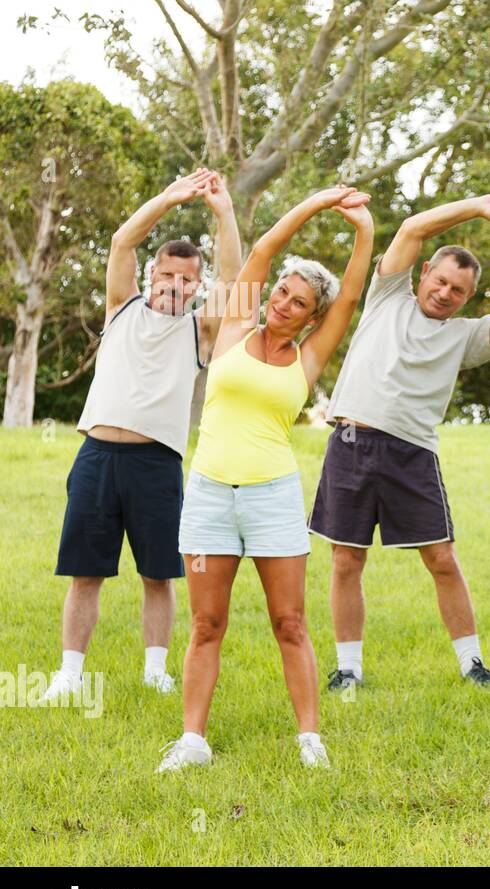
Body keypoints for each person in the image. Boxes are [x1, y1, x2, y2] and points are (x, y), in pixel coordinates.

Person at [156, 185, 374, 771]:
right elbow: (265, 249)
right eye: (282, 290)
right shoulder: (233, 326)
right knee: (206, 623)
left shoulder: (309, 356)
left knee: (290, 621)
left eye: (299, 301)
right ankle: (193, 740)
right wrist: (316, 203)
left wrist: (363, 230)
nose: (283, 302)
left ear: (311, 316)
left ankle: (309, 739)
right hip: (207, 496)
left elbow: (351, 294)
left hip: (273, 497)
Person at [308, 193, 490, 691]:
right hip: (350, 442)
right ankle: (348, 668)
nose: (445, 293)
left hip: (411, 453)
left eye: (458, 290)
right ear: (424, 274)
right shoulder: (387, 296)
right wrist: (482, 206)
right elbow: (413, 228)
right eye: (440, 280)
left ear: (467, 298)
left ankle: (472, 664)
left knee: (441, 558)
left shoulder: (466, 336)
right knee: (347, 559)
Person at [43, 169, 240, 703]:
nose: (176, 287)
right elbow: (121, 240)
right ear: (154, 275)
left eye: (187, 280)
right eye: (168, 276)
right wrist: (170, 196)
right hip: (97, 457)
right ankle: (70, 676)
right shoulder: (122, 307)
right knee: (86, 572)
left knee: (159, 575)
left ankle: (156, 671)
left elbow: (234, 277)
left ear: (196, 286)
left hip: (156, 466)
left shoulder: (201, 329)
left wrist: (223, 212)